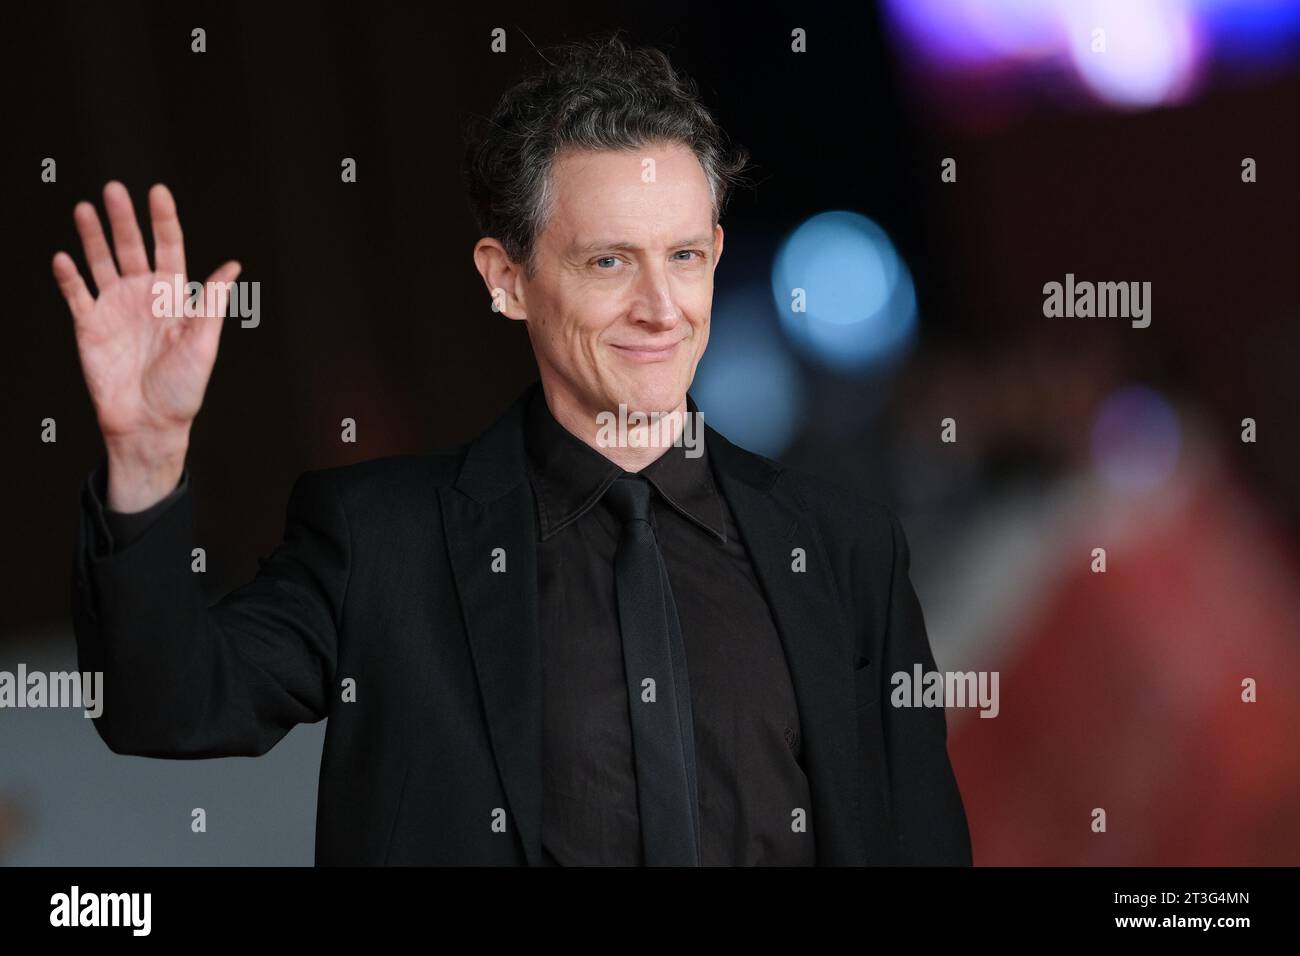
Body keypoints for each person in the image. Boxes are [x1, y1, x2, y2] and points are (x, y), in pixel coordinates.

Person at [56, 34, 971, 866]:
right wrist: (143, 457)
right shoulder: (381, 543)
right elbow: (163, 707)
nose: (661, 307)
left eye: (684, 256)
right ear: (506, 279)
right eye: (610, 261)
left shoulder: (845, 550)